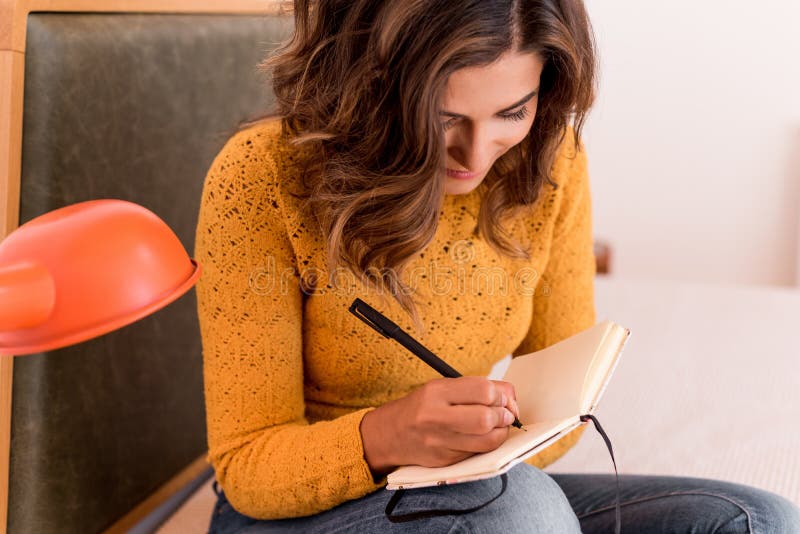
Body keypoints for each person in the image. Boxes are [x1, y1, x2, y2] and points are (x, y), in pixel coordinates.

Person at [194, 0, 800, 532]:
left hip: (480, 497)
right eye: (443, 117)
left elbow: (562, 413)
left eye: (512, 112)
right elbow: (248, 467)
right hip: (293, 516)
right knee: (522, 512)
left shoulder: (551, 164)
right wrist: (388, 437)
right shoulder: (261, 180)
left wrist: (482, 455)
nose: (475, 155)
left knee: (757, 521)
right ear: (369, 83)